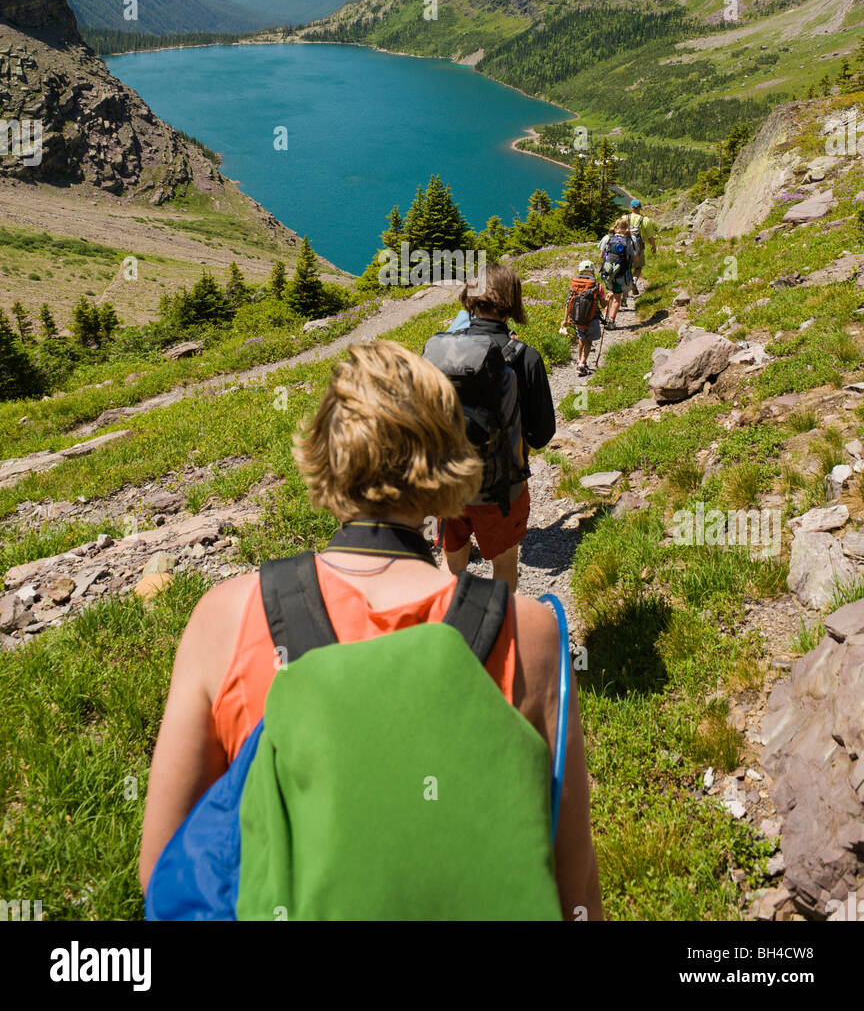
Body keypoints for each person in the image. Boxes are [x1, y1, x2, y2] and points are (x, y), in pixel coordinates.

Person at [138, 340, 601, 921]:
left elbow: (163, 865)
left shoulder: (225, 616)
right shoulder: (527, 632)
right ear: (451, 461)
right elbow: (575, 892)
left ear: (323, 455)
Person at [431, 264, 556, 594]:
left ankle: (448, 632)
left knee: (451, 563)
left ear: (470, 299)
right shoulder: (524, 357)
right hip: (502, 489)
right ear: (512, 302)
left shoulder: (439, 349)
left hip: (447, 484)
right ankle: (498, 634)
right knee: (504, 563)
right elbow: (542, 436)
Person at [559, 259, 609, 376]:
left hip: (577, 319)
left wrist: (565, 320)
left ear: (580, 271)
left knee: (581, 339)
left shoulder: (574, 286)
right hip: (592, 319)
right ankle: (582, 364)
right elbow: (604, 305)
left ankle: (579, 359)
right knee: (588, 341)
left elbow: (568, 304)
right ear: (592, 271)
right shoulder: (597, 286)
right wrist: (608, 298)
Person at [598, 215, 636, 327]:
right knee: (617, 298)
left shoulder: (607, 238)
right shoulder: (630, 240)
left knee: (610, 292)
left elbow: (601, 256)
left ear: (615, 226)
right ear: (627, 228)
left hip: (608, 272)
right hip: (621, 273)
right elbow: (634, 257)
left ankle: (605, 315)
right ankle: (611, 321)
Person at [628, 198, 656, 294]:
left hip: (624, 247)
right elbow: (650, 236)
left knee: (625, 267)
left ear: (630, 208)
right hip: (638, 248)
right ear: (640, 208)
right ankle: (634, 281)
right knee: (638, 267)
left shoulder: (624, 218)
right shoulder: (645, 220)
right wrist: (653, 246)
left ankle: (623, 293)